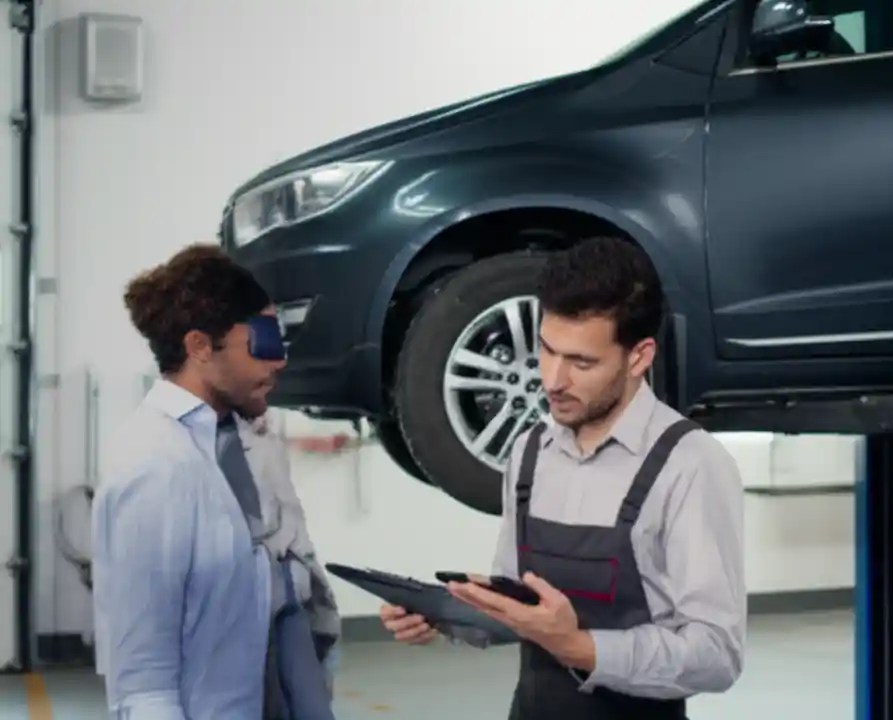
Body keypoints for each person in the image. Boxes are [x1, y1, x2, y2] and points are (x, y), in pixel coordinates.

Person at [380, 236, 747, 719]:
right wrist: (447, 614)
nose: (552, 379)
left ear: (638, 358)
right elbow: (516, 606)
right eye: (548, 350)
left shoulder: (690, 465)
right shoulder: (531, 451)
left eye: (581, 362)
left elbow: (716, 655)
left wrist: (581, 647)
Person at [91, 244, 341, 720]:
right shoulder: (153, 465)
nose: (280, 360)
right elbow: (142, 677)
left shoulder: (246, 441)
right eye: (263, 341)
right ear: (200, 347)